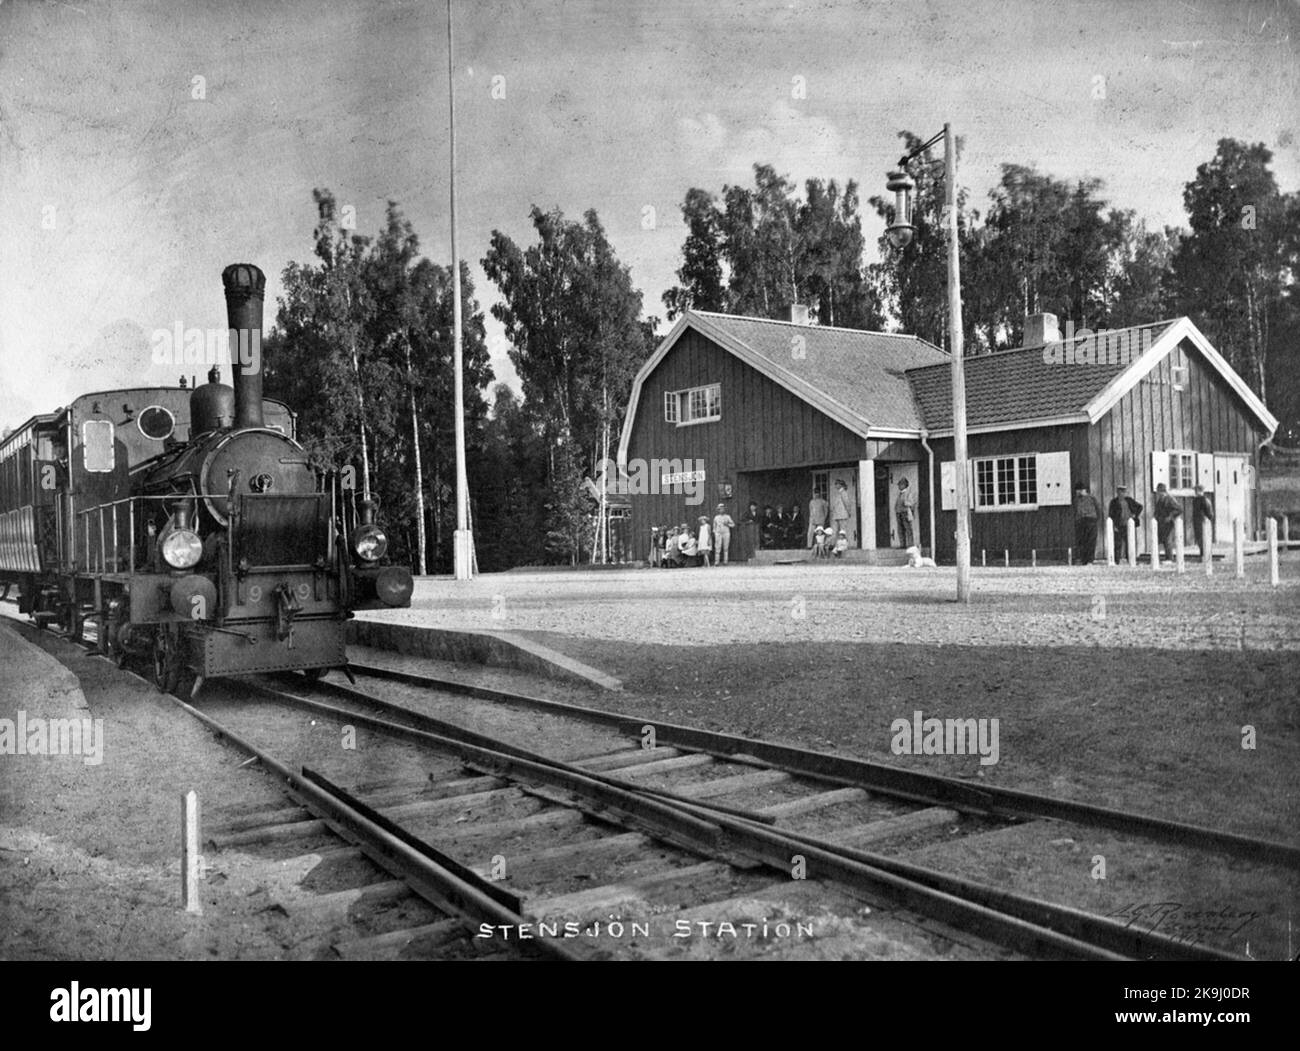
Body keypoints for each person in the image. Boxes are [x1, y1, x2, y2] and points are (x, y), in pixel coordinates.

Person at [1108, 485, 1143, 562]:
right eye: (1120, 492)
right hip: (1119, 524)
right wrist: (1114, 525)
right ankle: (1116, 560)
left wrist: (1135, 514)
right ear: (1117, 492)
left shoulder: (1129, 500)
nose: (1122, 494)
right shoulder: (1114, 502)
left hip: (1129, 525)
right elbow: (1111, 514)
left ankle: (1130, 559)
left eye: (1123, 492)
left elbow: (1140, 507)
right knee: (1117, 543)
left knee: (1129, 542)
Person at [1072, 482, 1101, 565]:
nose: (1077, 493)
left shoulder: (1091, 498)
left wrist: (1096, 519)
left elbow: (1098, 508)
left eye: (1078, 491)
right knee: (1082, 541)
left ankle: (1090, 560)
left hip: (1091, 520)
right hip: (1081, 521)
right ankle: (1084, 559)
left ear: (1082, 490)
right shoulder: (1076, 500)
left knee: (1091, 541)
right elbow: (1075, 511)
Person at [1154, 483, 1182, 561]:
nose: (1158, 493)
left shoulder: (1170, 499)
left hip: (1168, 523)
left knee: (1167, 541)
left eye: (1159, 491)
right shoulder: (1160, 500)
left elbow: (1179, 509)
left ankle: (1169, 558)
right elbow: (1157, 511)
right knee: (1159, 540)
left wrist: (1170, 516)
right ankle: (1158, 558)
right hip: (1160, 523)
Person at [1192, 484, 1215, 561]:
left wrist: (1208, 518)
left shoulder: (1204, 500)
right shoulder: (1195, 500)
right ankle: (1202, 553)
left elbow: (1209, 512)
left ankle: (1205, 554)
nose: (1195, 492)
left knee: (1203, 538)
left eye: (1196, 490)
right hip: (1197, 521)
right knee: (1199, 538)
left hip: (1202, 521)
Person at [894, 477, 916, 548]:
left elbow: (911, 503)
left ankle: (910, 544)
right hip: (899, 513)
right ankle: (902, 544)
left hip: (905, 512)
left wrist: (906, 503)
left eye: (900, 485)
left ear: (904, 485)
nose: (899, 486)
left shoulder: (908, 493)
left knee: (908, 529)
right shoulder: (899, 494)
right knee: (900, 529)